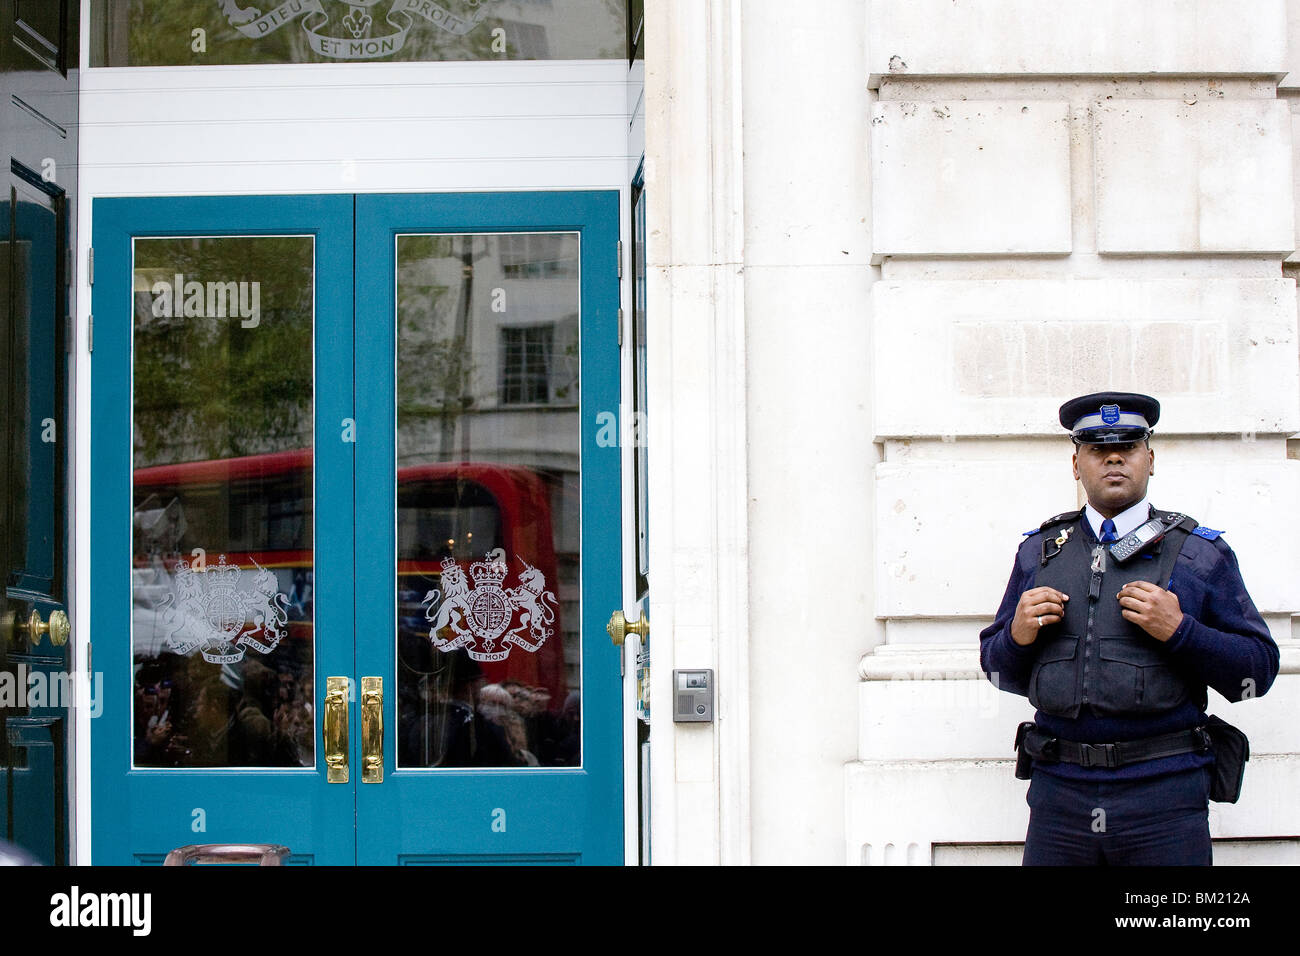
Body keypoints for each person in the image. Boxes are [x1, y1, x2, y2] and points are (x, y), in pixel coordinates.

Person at [980, 391, 1279, 865]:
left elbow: (1256, 673)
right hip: (1060, 798)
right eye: (1097, 448)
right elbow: (997, 670)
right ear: (1076, 464)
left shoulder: (1199, 553)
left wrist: (1181, 630)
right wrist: (1016, 636)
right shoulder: (1039, 552)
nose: (1114, 456)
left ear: (1151, 459)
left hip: (1164, 798)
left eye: (1128, 446)